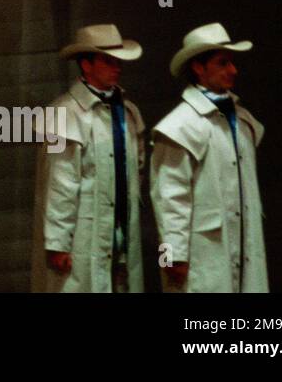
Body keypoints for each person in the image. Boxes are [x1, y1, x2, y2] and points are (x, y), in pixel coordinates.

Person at [151, 22, 267, 292]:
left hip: (242, 245)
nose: (233, 70)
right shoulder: (179, 126)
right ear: (198, 67)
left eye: (232, 63)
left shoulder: (242, 120)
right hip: (202, 255)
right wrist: (171, 258)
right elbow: (167, 199)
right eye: (222, 63)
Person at [32, 24, 146, 293]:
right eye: (108, 61)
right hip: (84, 235)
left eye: (118, 61)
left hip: (120, 228)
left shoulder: (127, 113)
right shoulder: (63, 115)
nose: (116, 67)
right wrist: (58, 243)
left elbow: (137, 168)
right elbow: (58, 184)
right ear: (86, 64)